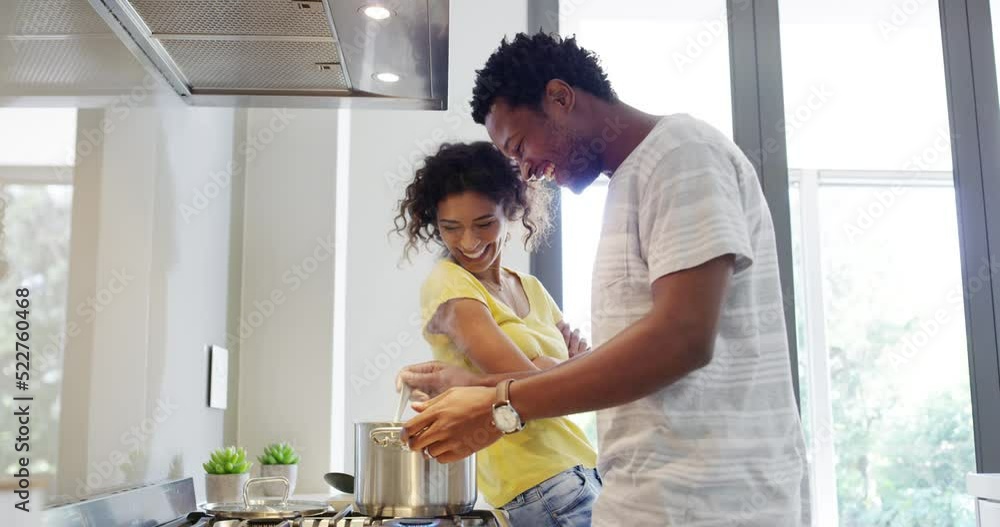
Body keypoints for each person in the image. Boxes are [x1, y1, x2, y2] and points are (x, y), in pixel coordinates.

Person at [398, 33, 811, 526]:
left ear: (560, 97)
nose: (526, 171)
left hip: (714, 504)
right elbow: (643, 363)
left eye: (520, 145)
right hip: (643, 500)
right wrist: (487, 385)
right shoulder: (628, 185)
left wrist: (496, 406)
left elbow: (681, 338)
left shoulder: (681, 155)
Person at [393, 141, 601, 526]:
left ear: (513, 210)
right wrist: (561, 367)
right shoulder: (449, 284)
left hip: (587, 468)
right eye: (450, 228)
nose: (468, 242)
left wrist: (544, 371)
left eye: (484, 223)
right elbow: (556, 385)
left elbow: (585, 386)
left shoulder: (531, 287)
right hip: (538, 486)